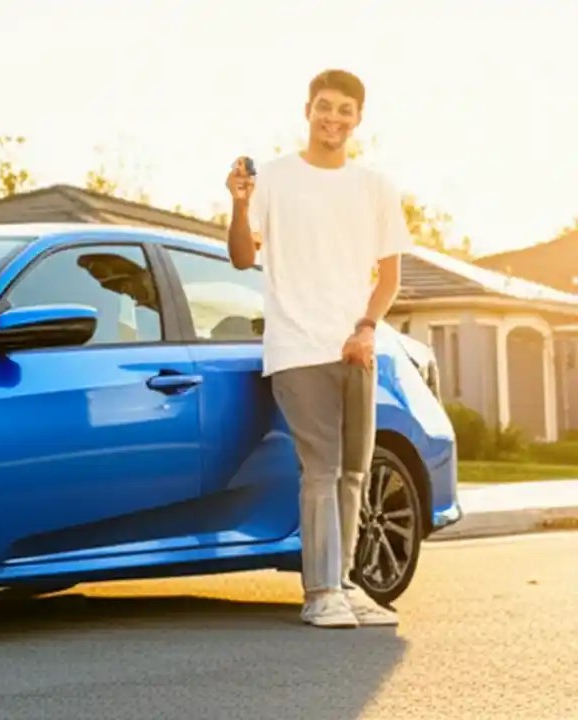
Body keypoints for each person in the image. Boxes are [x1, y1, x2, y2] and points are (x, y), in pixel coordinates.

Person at [224, 69, 412, 628]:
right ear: (307, 110)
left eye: (345, 109)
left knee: (355, 471)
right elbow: (239, 256)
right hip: (298, 347)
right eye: (324, 107)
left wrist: (366, 328)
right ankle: (320, 591)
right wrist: (238, 204)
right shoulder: (275, 180)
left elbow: (390, 278)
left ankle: (347, 582)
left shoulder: (375, 186)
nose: (333, 118)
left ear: (359, 119)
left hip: (356, 344)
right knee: (322, 470)